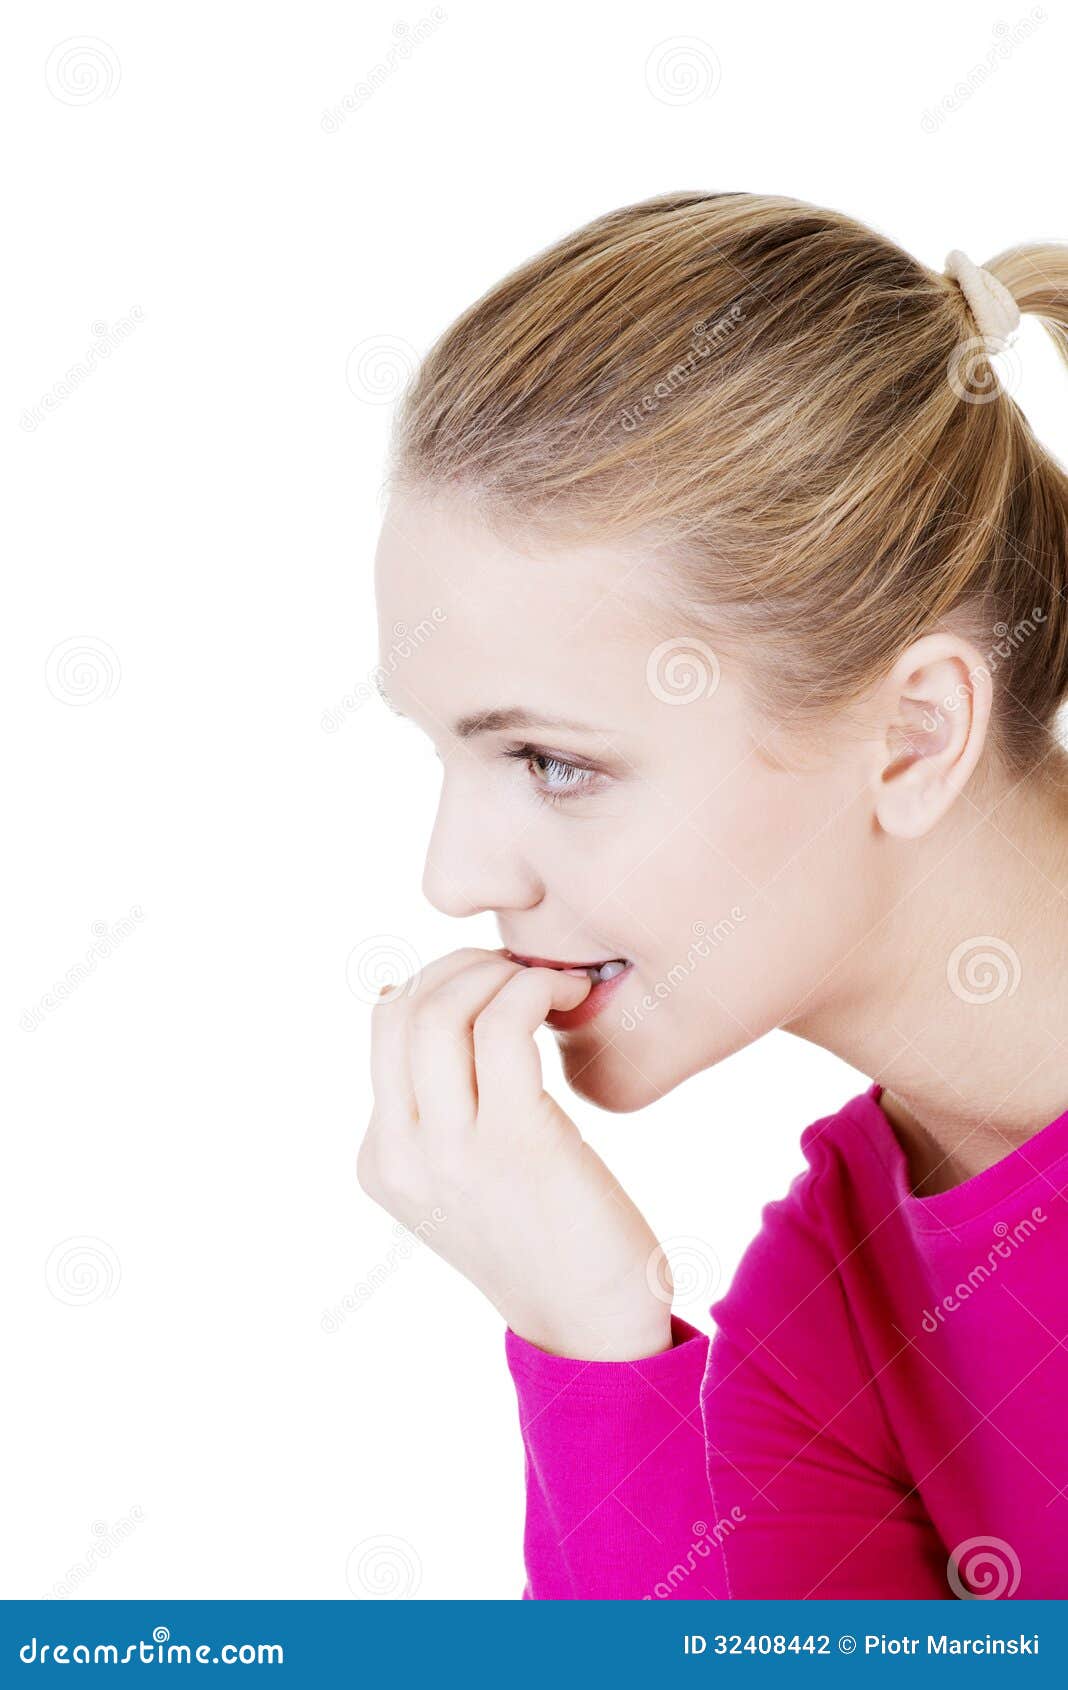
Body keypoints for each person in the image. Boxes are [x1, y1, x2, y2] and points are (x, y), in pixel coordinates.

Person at [358, 191, 1068, 1599]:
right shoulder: (837, 1317)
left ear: (912, 736)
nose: (455, 877)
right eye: (452, 755)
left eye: (553, 761)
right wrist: (589, 1339)